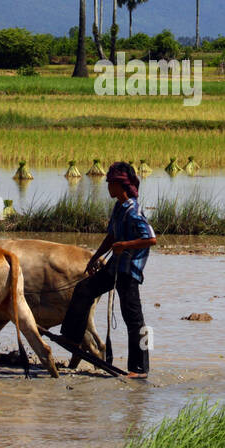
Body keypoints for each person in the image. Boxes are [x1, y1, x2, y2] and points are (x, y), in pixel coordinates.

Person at [61, 161, 156, 377]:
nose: (107, 187)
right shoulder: (118, 208)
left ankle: (140, 369)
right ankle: (71, 337)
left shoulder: (134, 210)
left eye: (110, 184)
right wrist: (95, 257)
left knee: (134, 320)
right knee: (84, 289)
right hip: (115, 266)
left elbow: (151, 239)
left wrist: (125, 246)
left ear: (120, 185)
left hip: (129, 271)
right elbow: (112, 236)